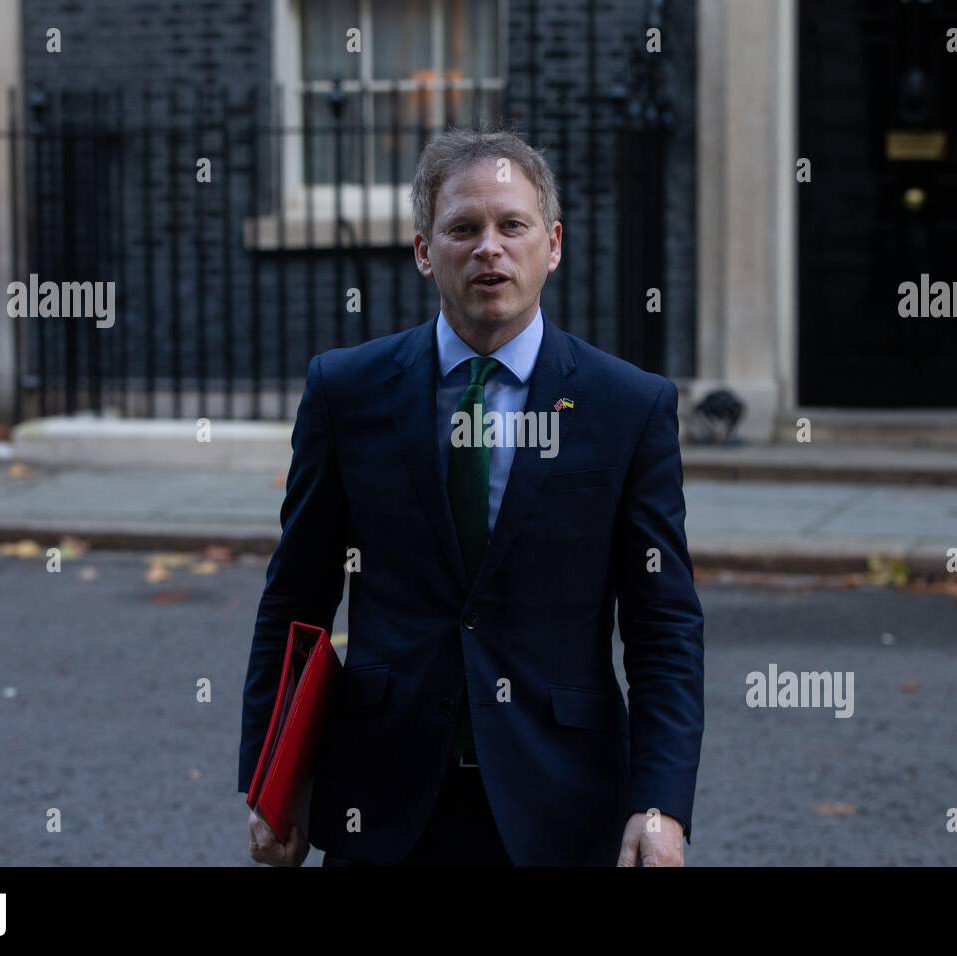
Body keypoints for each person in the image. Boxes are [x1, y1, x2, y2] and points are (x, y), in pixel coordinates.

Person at [240, 125, 704, 867]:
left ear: (551, 245)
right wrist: (271, 782)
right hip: (383, 800)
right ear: (425, 251)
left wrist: (660, 805)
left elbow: (664, 627)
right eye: (463, 228)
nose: (489, 246)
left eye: (511, 225)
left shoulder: (629, 407)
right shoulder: (346, 390)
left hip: (562, 802)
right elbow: (296, 597)